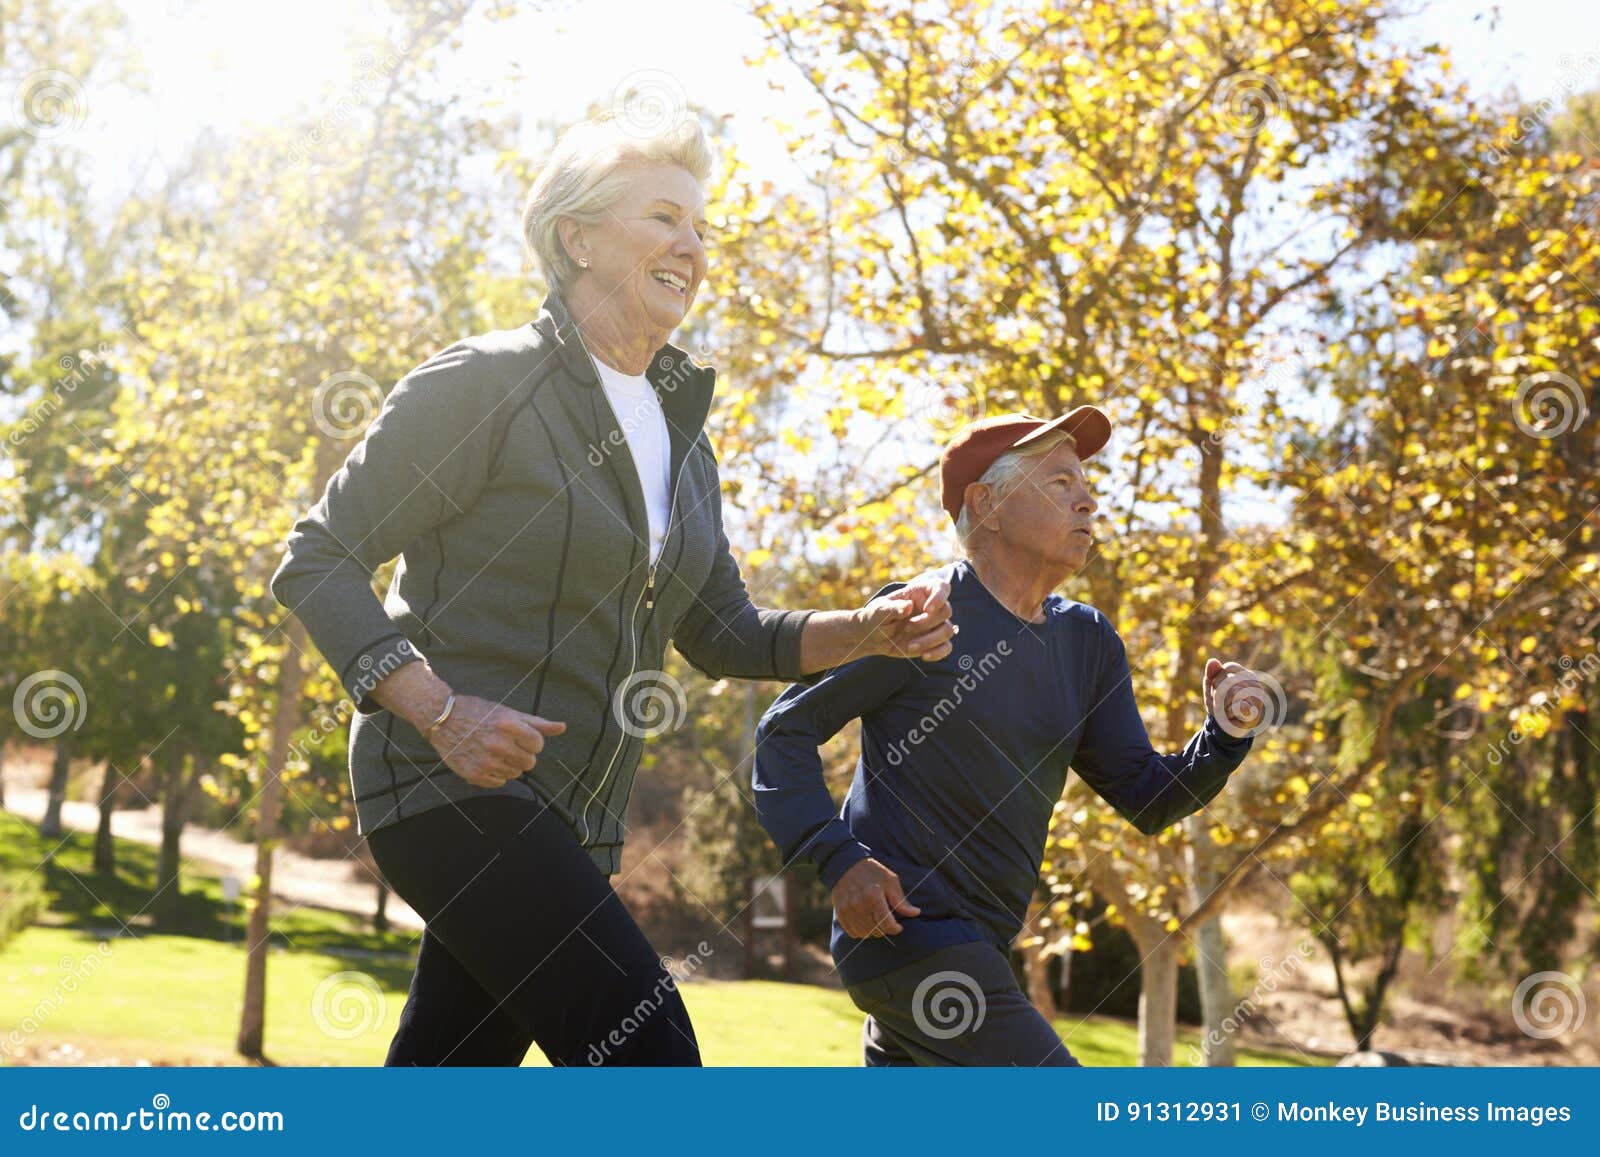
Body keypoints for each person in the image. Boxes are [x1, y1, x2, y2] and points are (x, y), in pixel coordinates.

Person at [270, 110, 955, 1067]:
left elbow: (723, 631)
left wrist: (869, 628)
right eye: (664, 217)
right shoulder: (485, 383)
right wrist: (440, 710)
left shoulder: (684, 440)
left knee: (448, 1071)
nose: (692, 246)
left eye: (702, 228)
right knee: (651, 1058)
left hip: (572, 820)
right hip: (443, 785)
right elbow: (318, 556)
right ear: (577, 237)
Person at [751, 409, 1267, 1066]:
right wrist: (839, 860)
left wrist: (1221, 736)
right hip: (907, 938)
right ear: (986, 504)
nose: (1088, 498)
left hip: (980, 949)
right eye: (1058, 482)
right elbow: (782, 732)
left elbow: (1147, 796)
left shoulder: (1088, 643)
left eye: (1086, 484)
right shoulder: (920, 615)